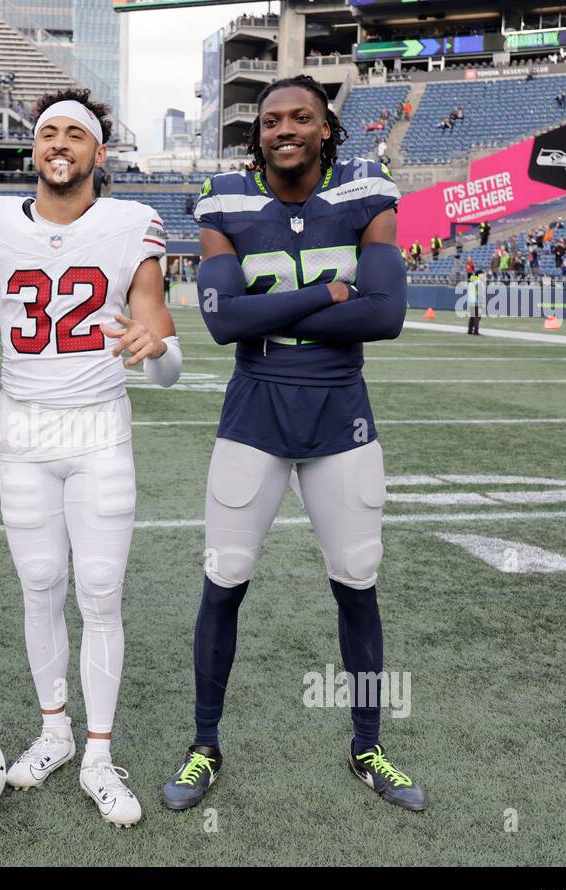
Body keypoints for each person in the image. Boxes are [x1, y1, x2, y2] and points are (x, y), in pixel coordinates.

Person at [161, 75, 423, 814]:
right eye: (272, 119)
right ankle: (204, 743)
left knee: (358, 577)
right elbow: (223, 324)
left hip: (340, 414)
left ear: (326, 130)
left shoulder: (365, 189)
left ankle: (368, 746)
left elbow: (386, 315)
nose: (284, 128)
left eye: (301, 117)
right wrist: (326, 296)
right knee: (226, 574)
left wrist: (270, 311)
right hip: (256, 414)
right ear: (258, 135)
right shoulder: (227, 199)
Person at [0, 89, 180, 828]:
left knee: (99, 590)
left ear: (99, 154)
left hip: (100, 429)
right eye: (49, 133)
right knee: (40, 583)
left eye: (76, 133)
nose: (60, 143)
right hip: (25, 432)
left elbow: (166, 357)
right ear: (34, 150)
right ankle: (54, 730)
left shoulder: (133, 225)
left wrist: (156, 348)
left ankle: (99, 752)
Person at [467, 268, 483, 334]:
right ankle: (476, 331)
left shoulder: (471, 281)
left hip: (470, 300)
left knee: (472, 316)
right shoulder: (478, 282)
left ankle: (470, 330)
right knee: (477, 316)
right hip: (476, 301)